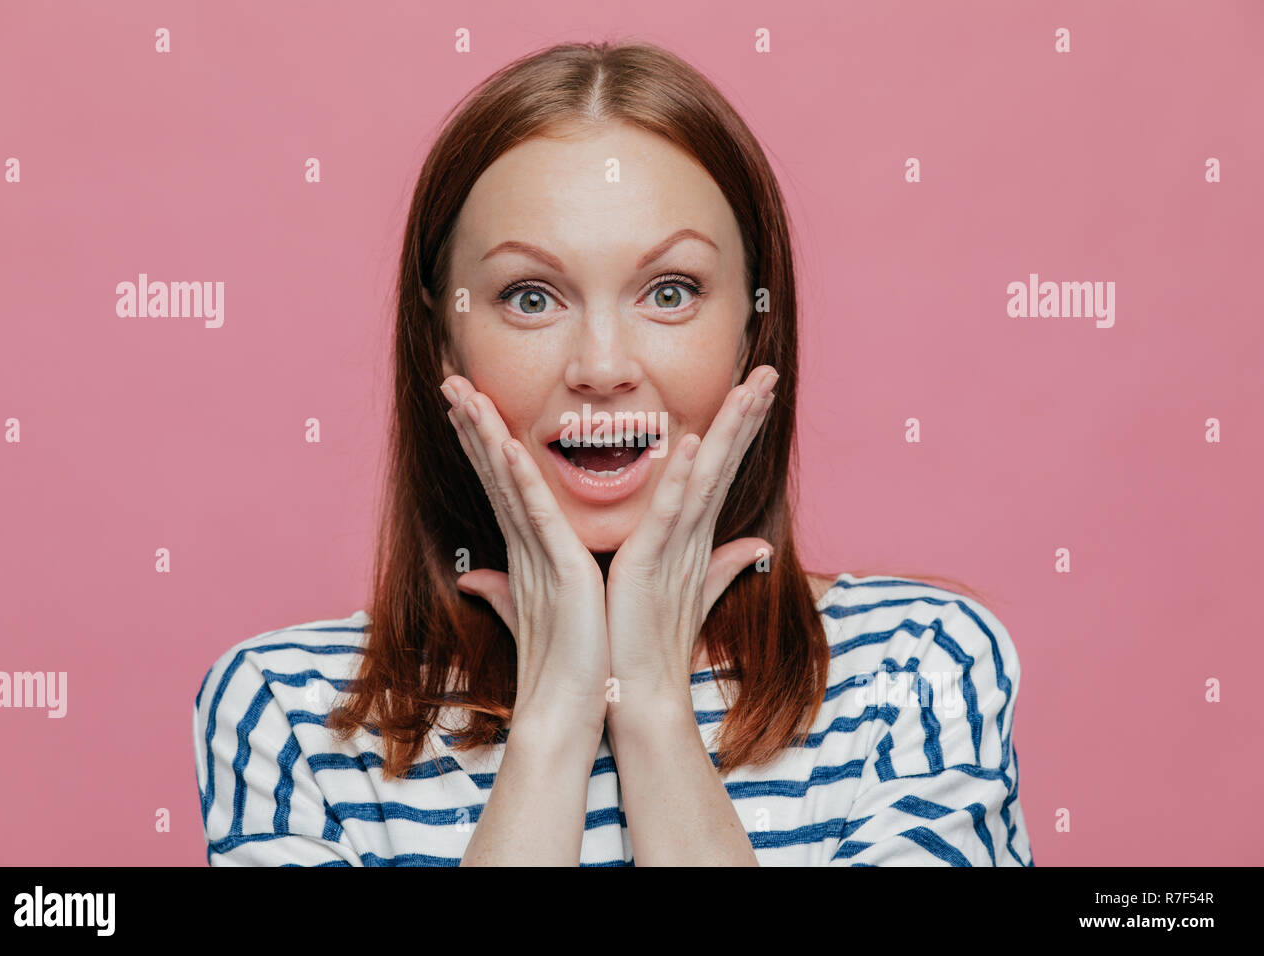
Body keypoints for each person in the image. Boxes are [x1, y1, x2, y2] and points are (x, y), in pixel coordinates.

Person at [192, 39, 1032, 867]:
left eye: (671, 292)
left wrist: (652, 708)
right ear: (442, 340)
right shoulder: (288, 713)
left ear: (752, 328)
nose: (601, 368)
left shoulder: (918, 671)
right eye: (530, 296)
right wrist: (556, 717)